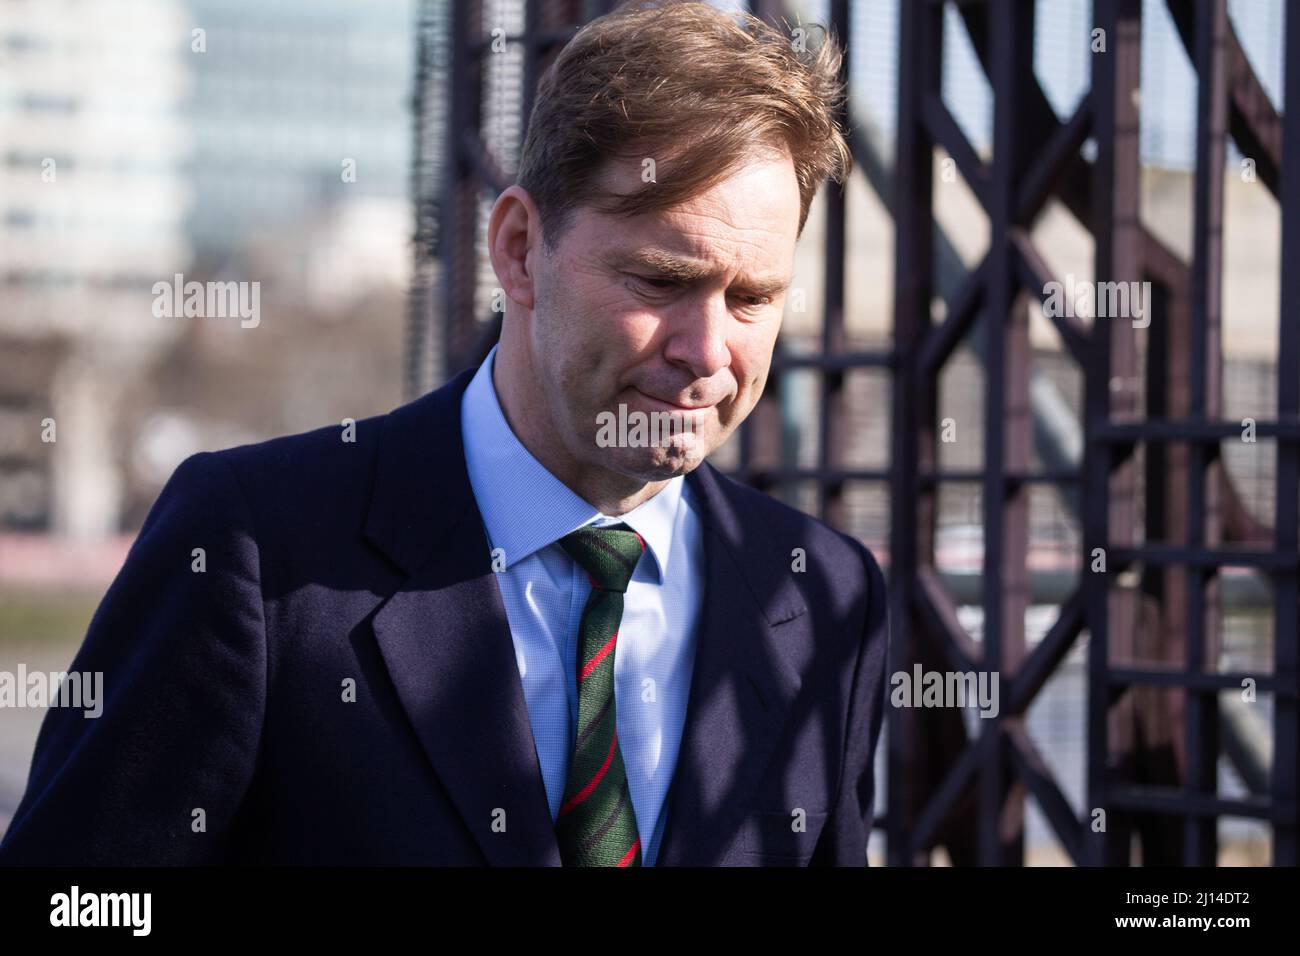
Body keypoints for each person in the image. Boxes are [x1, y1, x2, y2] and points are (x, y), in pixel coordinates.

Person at [0, 0, 887, 866]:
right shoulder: (253, 549)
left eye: (752, 298)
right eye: (658, 281)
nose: (705, 351)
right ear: (515, 247)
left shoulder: (825, 599)